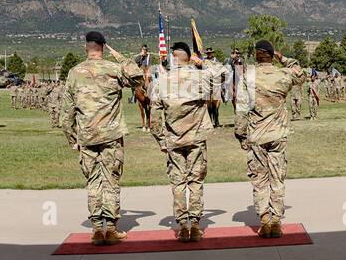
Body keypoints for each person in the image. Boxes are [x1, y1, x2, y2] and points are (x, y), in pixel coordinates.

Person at [59, 31, 144, 245]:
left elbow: (66, 113)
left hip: (87, 137)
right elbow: (137, 77)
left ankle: (97, 229)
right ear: (103, 48)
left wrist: (72, 139)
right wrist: (121, 57)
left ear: (85, 48)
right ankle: (112, 229)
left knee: (93, 182)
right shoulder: (113, 69)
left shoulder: (74, 72)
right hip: (111, 136)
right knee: (111, 181)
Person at [149, 42, 226, 242]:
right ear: (188, 57)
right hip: (196, 138)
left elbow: (154, 115)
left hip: (173, 139)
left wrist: (160, 140)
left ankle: (182, 224)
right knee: (195, 181)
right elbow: (223, 73)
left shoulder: (162, 81)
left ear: (172, 58)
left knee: (177, 182)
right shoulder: (200, 77)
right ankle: (194, 224)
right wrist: (203, 62)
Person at [234, 40, 305, 238]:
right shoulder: (283, 74)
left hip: (256, 135)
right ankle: (276, 221)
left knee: (259, 179)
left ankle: (264, 219)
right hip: (278, 134)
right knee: (277, 177)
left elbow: (241, 109)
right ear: (271, 55)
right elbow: (301, 72)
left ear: (256, 56)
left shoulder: (248, 77)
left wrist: (241, 135)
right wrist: (283, 58)